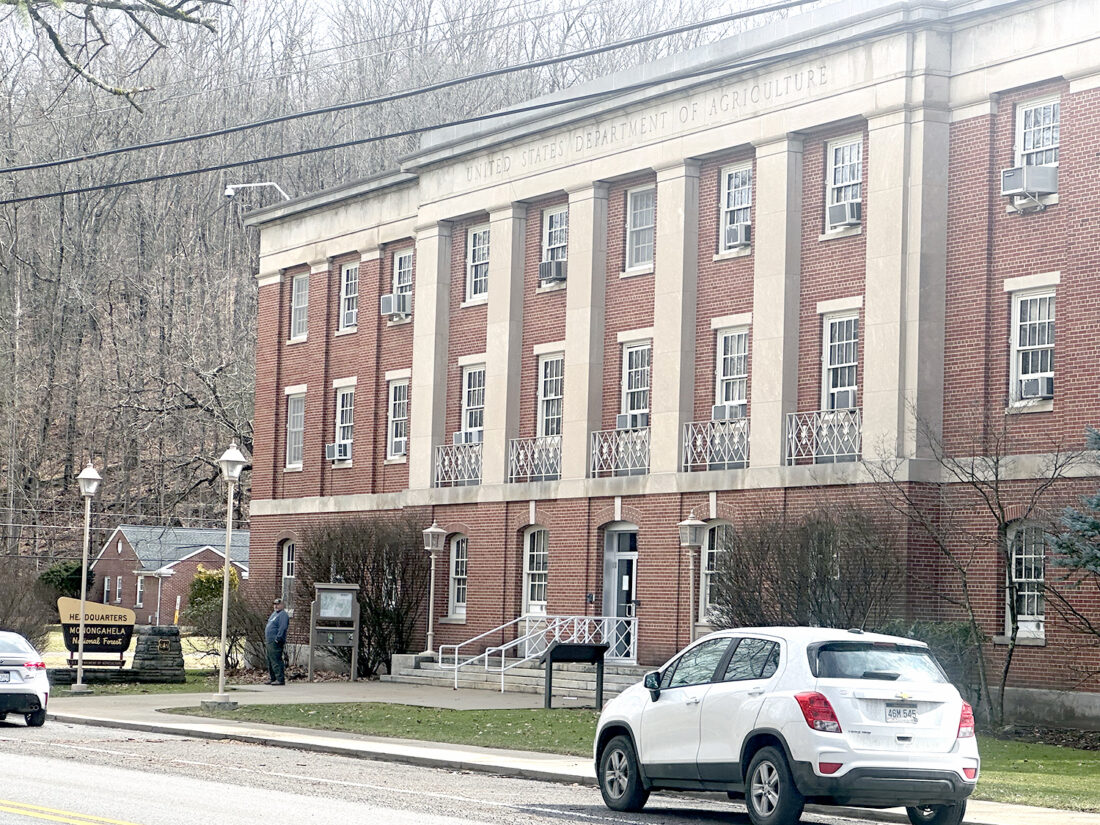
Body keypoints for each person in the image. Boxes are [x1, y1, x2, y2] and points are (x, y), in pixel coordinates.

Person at [265, 598, 289, 685]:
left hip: (276, 641)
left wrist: (278, 638)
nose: (276, 606)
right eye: (274, 604)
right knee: (270, 660)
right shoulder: (274, 614)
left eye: (278, 604)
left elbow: (283, 627)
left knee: (276, 660)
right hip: (269, 641)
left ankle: (280, 679)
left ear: (282, 605)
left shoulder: (283, 615)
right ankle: (273, 678)